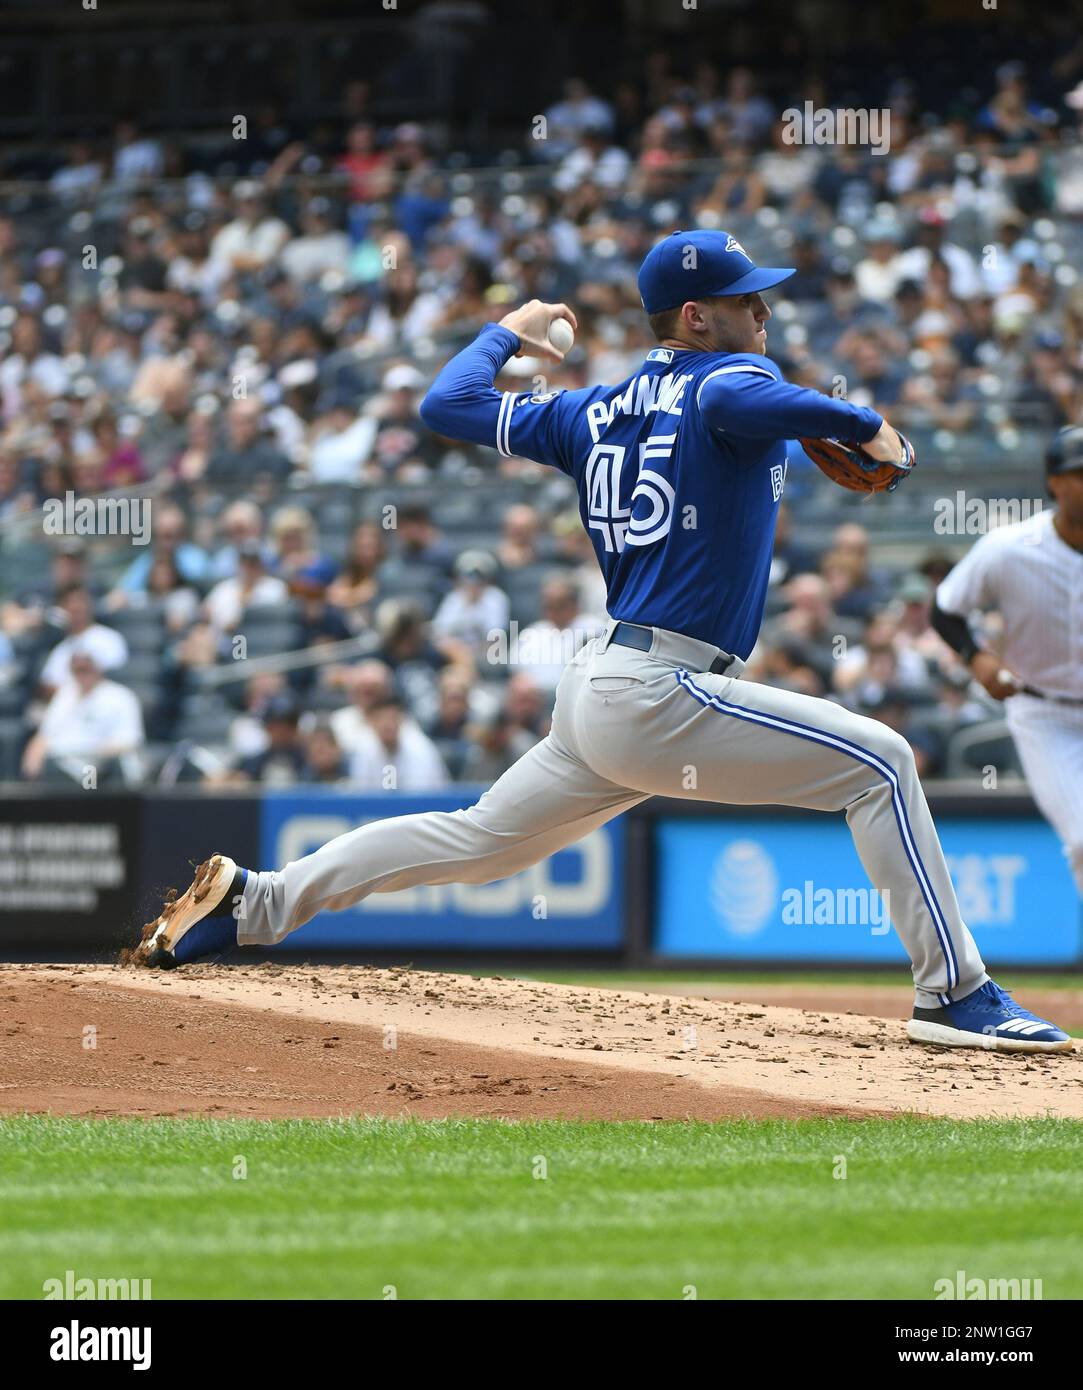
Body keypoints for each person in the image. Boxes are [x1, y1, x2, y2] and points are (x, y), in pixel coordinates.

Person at [136, 230, 1069, 1055]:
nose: (766, 308)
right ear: (696, 317)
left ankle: (256, 903)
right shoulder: (730, 380)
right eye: (748, 298)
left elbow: (444, 406)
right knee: (882, 764)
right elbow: (772, 406)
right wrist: (863, 424)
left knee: (477, 840)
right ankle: (955, 996)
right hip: (662, 689)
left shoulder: (584, 409)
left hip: (606, 690)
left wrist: (511, 330)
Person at [931, 426, 1083, 902]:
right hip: (1046, 714)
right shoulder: (1010, 547)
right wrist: (976, 658)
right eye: (1079, 474)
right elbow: (945, 607)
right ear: (1053, 483)